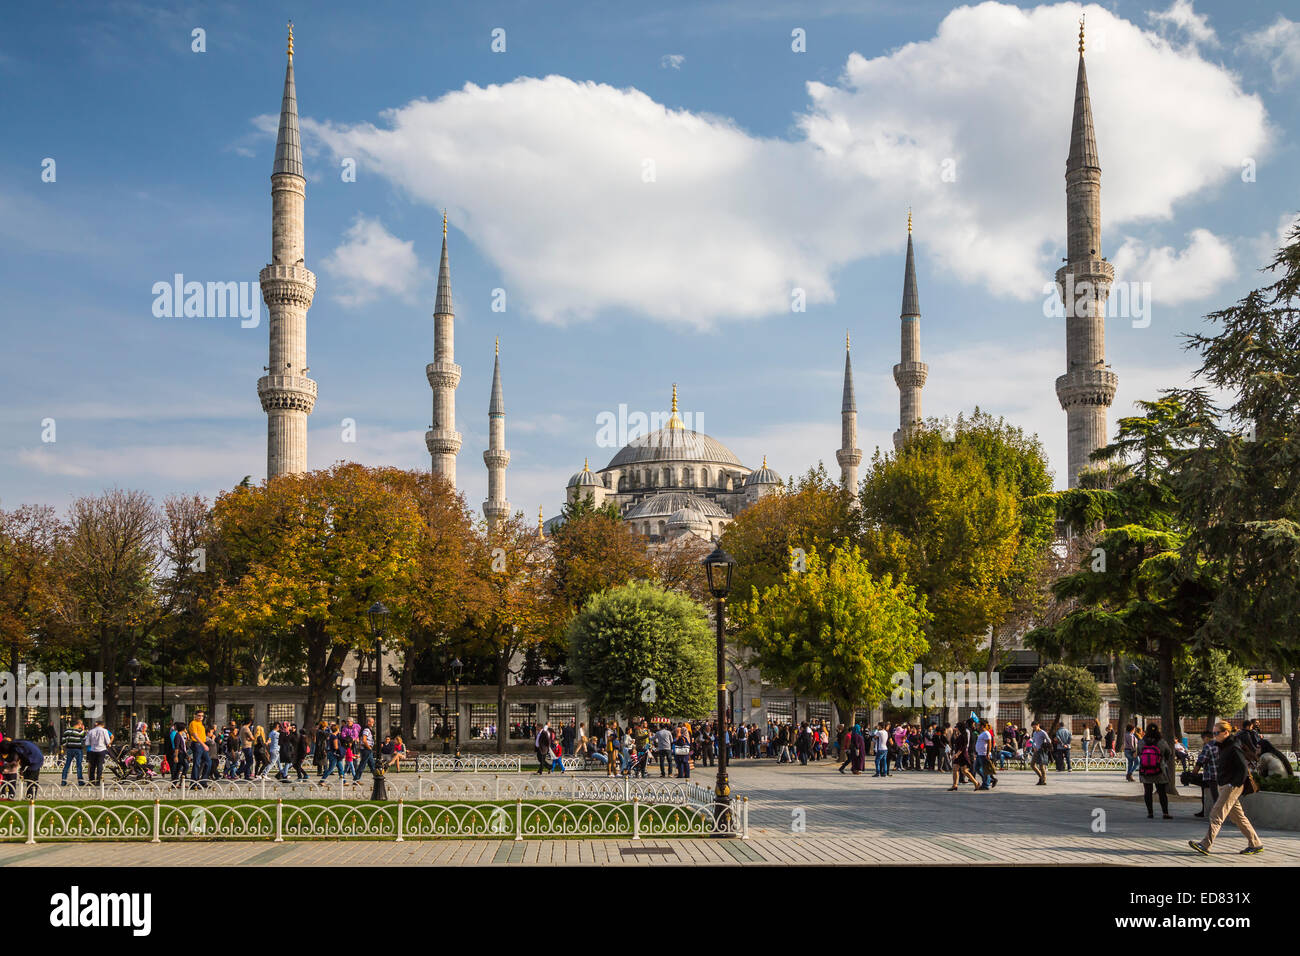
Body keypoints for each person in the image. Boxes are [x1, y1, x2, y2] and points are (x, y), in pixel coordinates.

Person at [1189, 721, 1263, 856]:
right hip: (1224, 785)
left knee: (1216, 813)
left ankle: (1205, 844)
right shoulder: (1223, 746)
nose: (1214, 736)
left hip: (1231, 786)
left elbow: (1242, 769)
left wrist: (1232, 784)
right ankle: (1255, 844)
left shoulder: (1233, 747)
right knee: (1239, 818)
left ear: (1226, 733)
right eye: (1213, 733)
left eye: (1217, 733)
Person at [1137, 724, 1174, 819]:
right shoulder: (1161, 742)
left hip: (1145, 770)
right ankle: (1165, 813)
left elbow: (1139, 753)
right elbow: (1169, 753)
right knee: (1162, 792)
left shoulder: (1142, 742)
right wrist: (1163, 760)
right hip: (1159, 770)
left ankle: (1150, 812)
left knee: (1147, 792)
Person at [1193, 730, 1219, 818]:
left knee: (1215, 795)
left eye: (1203, 739)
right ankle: (1205, 811)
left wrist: (1194, 772)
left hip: (1212, 775)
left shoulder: (1208, 746)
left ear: (1206, 738)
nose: (1203, 741)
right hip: (1222, 774)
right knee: (1218, 795)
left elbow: (1201, 761)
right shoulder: (1220, 744)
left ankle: (1217, 815)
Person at [85, 718, 112, 785]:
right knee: (100, 765)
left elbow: (87, 742)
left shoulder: (91, 731)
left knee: (92, 766)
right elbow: (108, 741)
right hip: (101, 750)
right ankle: (98, 780)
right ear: (102, 725)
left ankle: (92, 781)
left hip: (93, 750)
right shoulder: (104, 731)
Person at [60, 719, 86, 786]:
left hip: (69, 749)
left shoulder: (67, 731)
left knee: (67, 765)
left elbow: (63, 741)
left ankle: (63, 781)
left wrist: (67, 746)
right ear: (79, 724)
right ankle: (80, 781)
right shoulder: (80, 731)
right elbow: (84, 738)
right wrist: (83, 730)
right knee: (79, 766)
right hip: (78, 749)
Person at [1029, 720, 1050, 786]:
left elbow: (1049, 740)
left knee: (1041, 766)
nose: (1034, 729)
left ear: (1038, 725)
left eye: (1035, 727)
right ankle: (1041, 777)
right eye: (1033, 728)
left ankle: (1043, 780)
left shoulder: (1043, 732)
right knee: (1032, 765)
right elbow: (1034, 741)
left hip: (1041, 751)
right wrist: (1033, 746)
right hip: (1036, 750)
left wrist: (1044, 745)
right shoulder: (1035, 733)